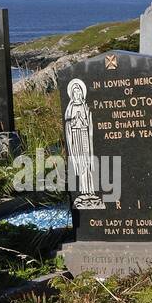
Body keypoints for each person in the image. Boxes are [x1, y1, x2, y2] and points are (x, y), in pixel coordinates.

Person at [64, 78, 101, 209]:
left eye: (78, 91)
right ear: (72, 94)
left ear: (81, 93)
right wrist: (74, 122)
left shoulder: (85, 106)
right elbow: (68, 124)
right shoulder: (70, 107)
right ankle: (83, 191)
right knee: (80, 164)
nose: (77, 94)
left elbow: (89, 122)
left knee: (87, 163)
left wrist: (82, 121)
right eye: (74, 92)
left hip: (85, 136)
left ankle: (90, 190)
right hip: (76, 138)